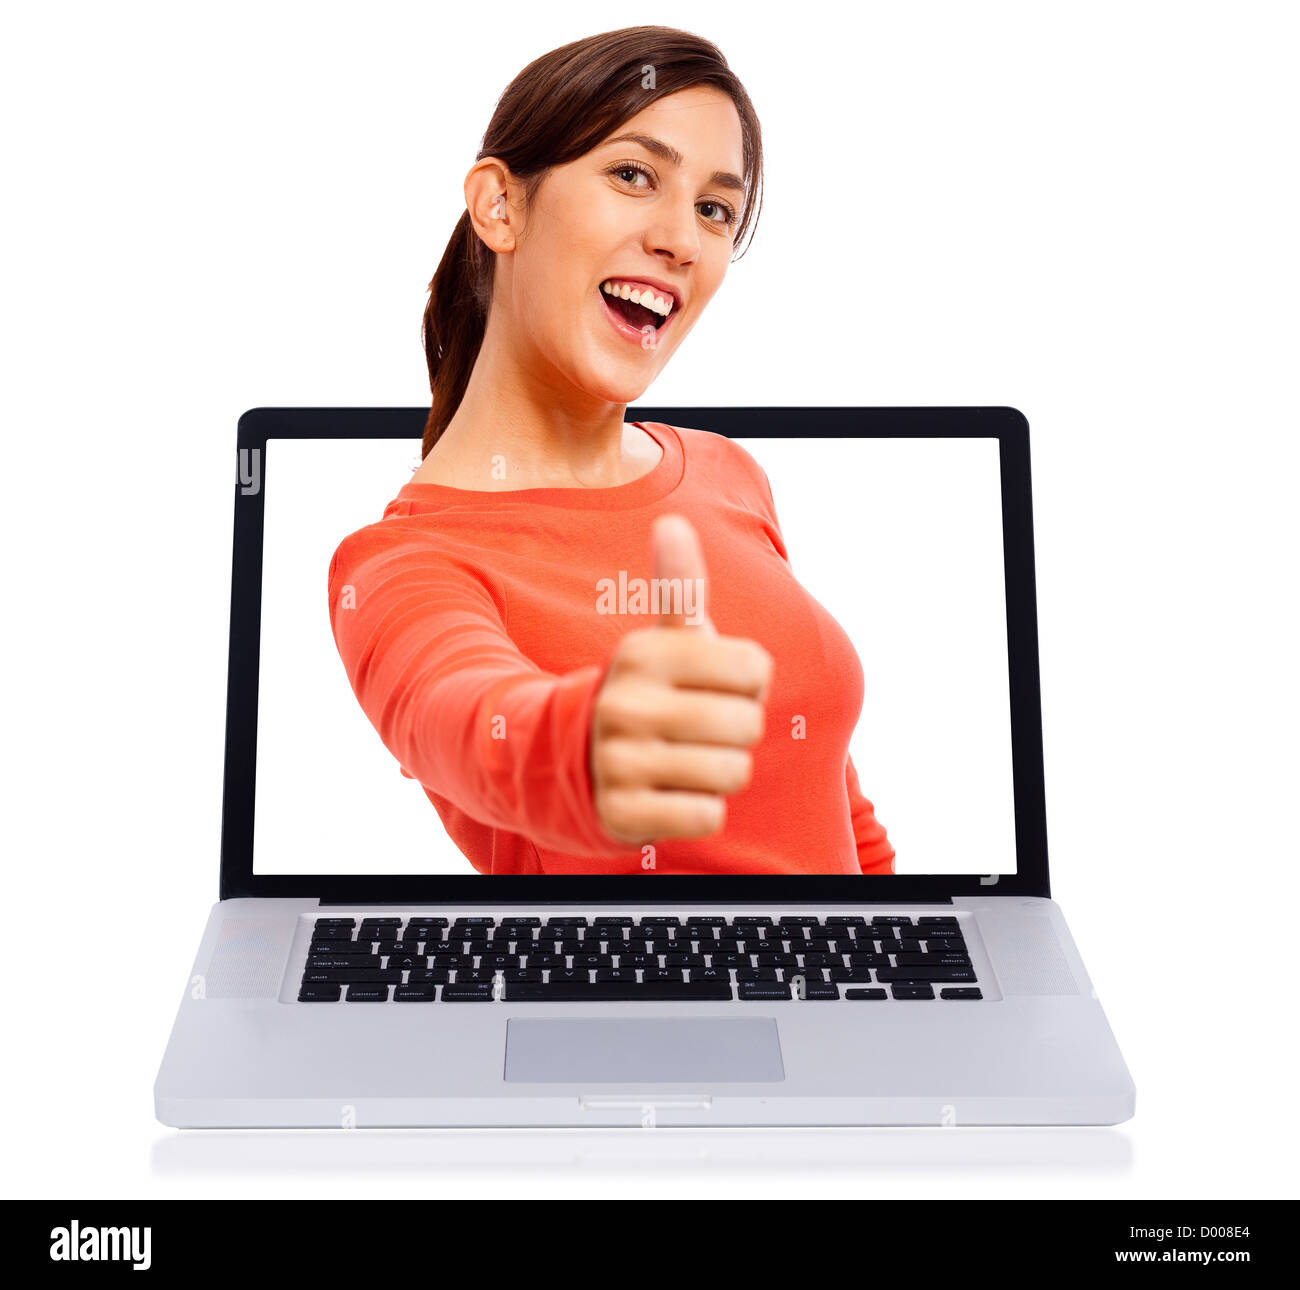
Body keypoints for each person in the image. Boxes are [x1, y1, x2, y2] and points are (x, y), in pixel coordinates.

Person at [328, 25, 895, 876]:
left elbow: (832, 809)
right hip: (626, 1008)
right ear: (500, 206)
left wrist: (915, 986)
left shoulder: (727, 473)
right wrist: (592, 742)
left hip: (845, 1005)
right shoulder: (400, 566)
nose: (682, 240)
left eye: (714, 208)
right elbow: (469, 715)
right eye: (634, 175)